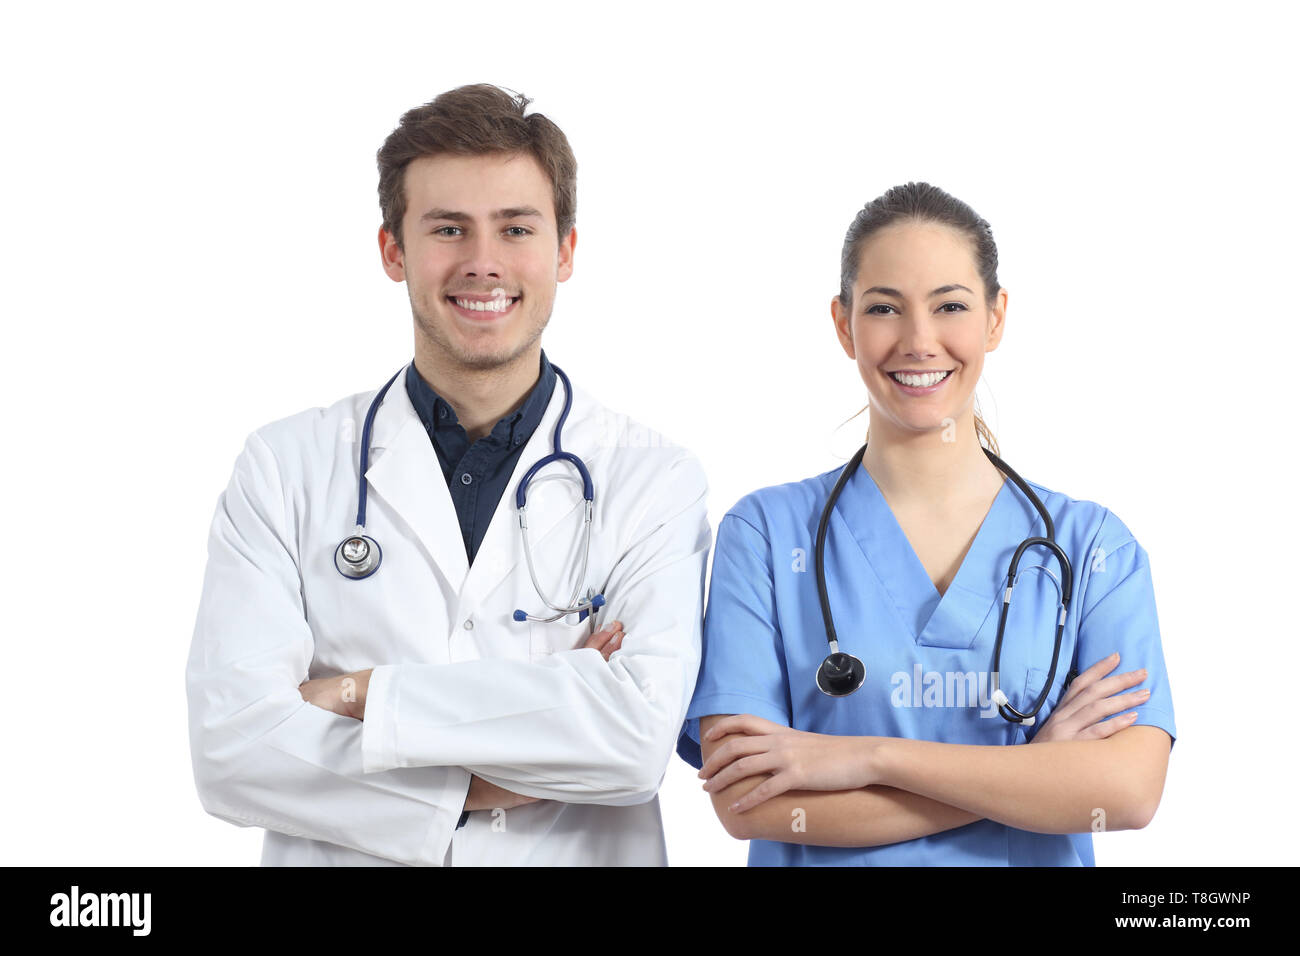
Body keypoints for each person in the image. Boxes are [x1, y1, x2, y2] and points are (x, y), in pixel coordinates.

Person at [186, 84, 710, 867]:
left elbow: (633, 745)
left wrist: (357, 694)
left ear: (565, 250)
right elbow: (232, 748)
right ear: (393, 250)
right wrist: (481, 781)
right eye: (448, 229)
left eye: (516, 228)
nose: (483, 262)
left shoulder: (653, 480)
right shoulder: (285, 468)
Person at [676, 182, 1175, 865]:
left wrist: (866, 758)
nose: (918, 340)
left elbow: (1128, 790)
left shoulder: (1093, 549)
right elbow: (749, 803)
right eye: (884, 308)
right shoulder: (765, 535)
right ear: (843, 323)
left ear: (996, 318)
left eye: (951, 306)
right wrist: (1032, 769)